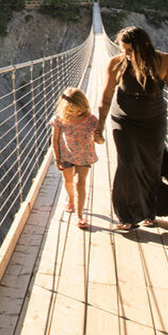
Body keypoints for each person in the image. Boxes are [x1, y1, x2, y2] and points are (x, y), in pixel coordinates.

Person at [97, 26, 168, 231]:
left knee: (150, 167)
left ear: (145, 46)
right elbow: (106, 97)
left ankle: (149, 212)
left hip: (153, 122)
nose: (126, 54)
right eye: (123, 50)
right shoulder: (117, 63)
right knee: (127, 165)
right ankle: (127, 216)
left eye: (130, 50)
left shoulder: (165, 61)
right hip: (124, 121)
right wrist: (99, 125)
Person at [51, 86, 105, 230]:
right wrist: (57, 158)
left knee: (79, 183)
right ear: (64, 108)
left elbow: (100, 141)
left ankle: (80, 215)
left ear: (84, 106)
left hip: (84, 155)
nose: (75, 113)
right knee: (68, 180)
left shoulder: (91, 119)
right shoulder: (59, 119)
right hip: (66, 155)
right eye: (71, 111)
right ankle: (70, 199)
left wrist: (98, 138)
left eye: (79, 111)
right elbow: (54, 139)